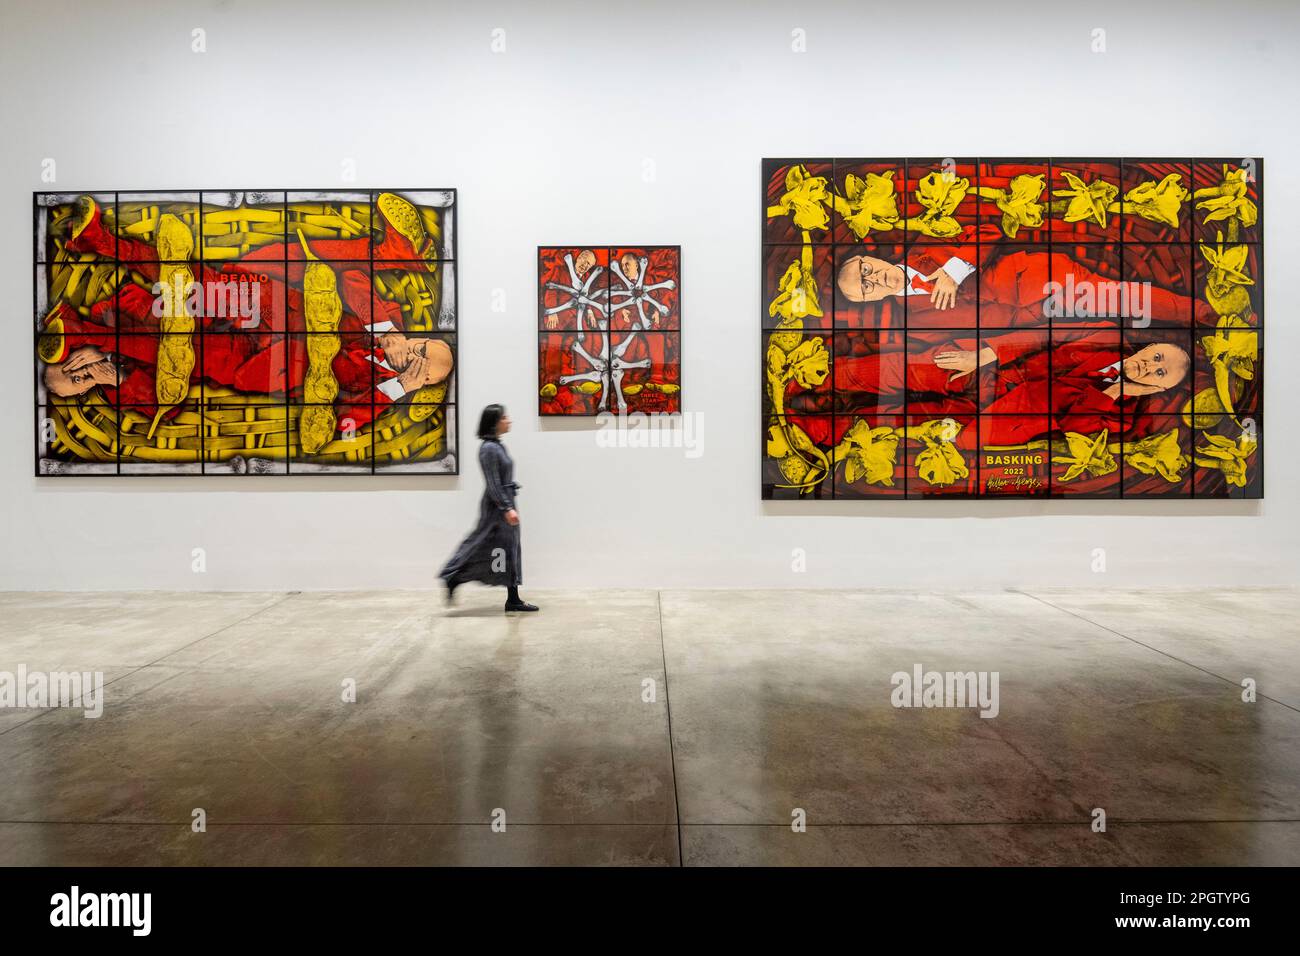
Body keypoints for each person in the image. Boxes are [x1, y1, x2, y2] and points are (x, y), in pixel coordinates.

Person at [439, 405, 538, 613]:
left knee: (510, 549)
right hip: (497, 507)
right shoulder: (489, 449)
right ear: (494, 422)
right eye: (504, 417)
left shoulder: (497, 446)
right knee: (483, 546)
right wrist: (506, 508)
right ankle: (453, 577)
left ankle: (513, 599)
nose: (509, 420)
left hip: (504, 502)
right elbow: (493, 483)